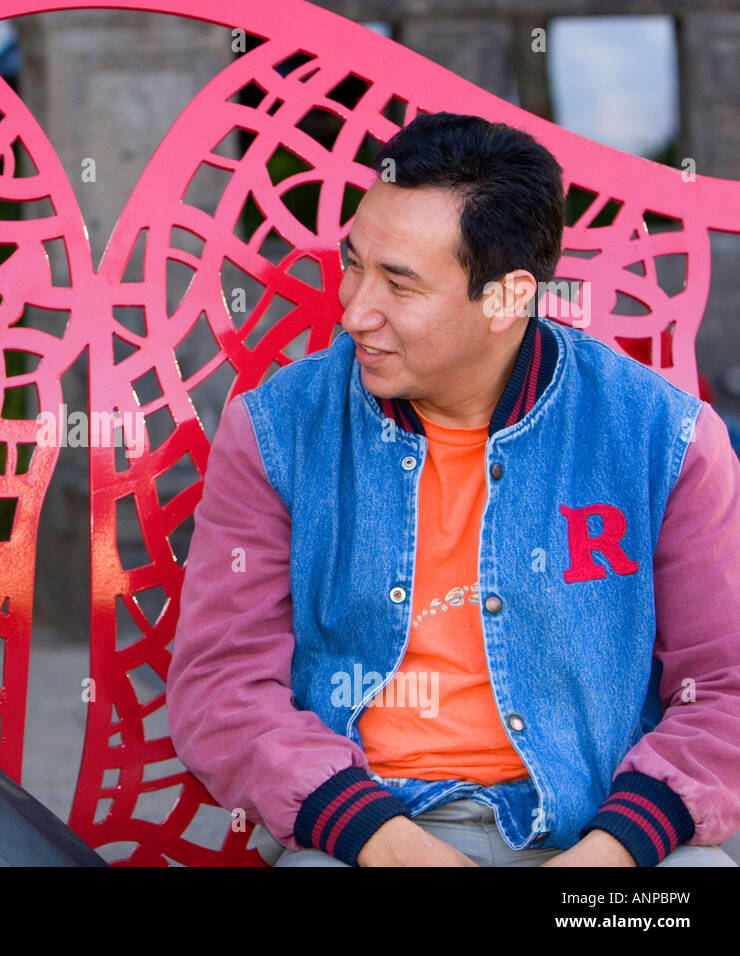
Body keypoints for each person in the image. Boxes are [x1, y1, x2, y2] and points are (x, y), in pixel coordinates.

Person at [168, 112, 740, 867]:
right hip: (368, 838)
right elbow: (223, 685)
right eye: (354, 264)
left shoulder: (662, 440)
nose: (354, 310)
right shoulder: (278, 432)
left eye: (399, 284)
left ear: (507, 299)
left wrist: (615, 850)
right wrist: (382, 840)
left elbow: (726, 689)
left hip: (601, 834)